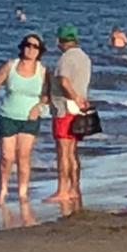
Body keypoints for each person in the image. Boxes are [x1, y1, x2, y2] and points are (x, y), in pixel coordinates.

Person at [0, 32, 51, 204]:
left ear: (40, 51)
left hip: (30, 119)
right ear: (22, 47)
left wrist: (39, 107)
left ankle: (23, 193)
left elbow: (47, 95)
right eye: (28, 45)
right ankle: (3, 190)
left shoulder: (43, 71)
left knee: (23, 156)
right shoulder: (10, 66)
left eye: (35, 47)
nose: (31, 49)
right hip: (8, 115)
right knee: (7, 156)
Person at [45, 24, 92, 203]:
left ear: (60, 40)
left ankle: (62, 190)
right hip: (79, 111)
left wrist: (74, 97)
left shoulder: (66, 58)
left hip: (65, 108)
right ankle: (74, 188)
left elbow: (64, 81)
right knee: (72, 151)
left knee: (63, 151)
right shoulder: (84, 58)